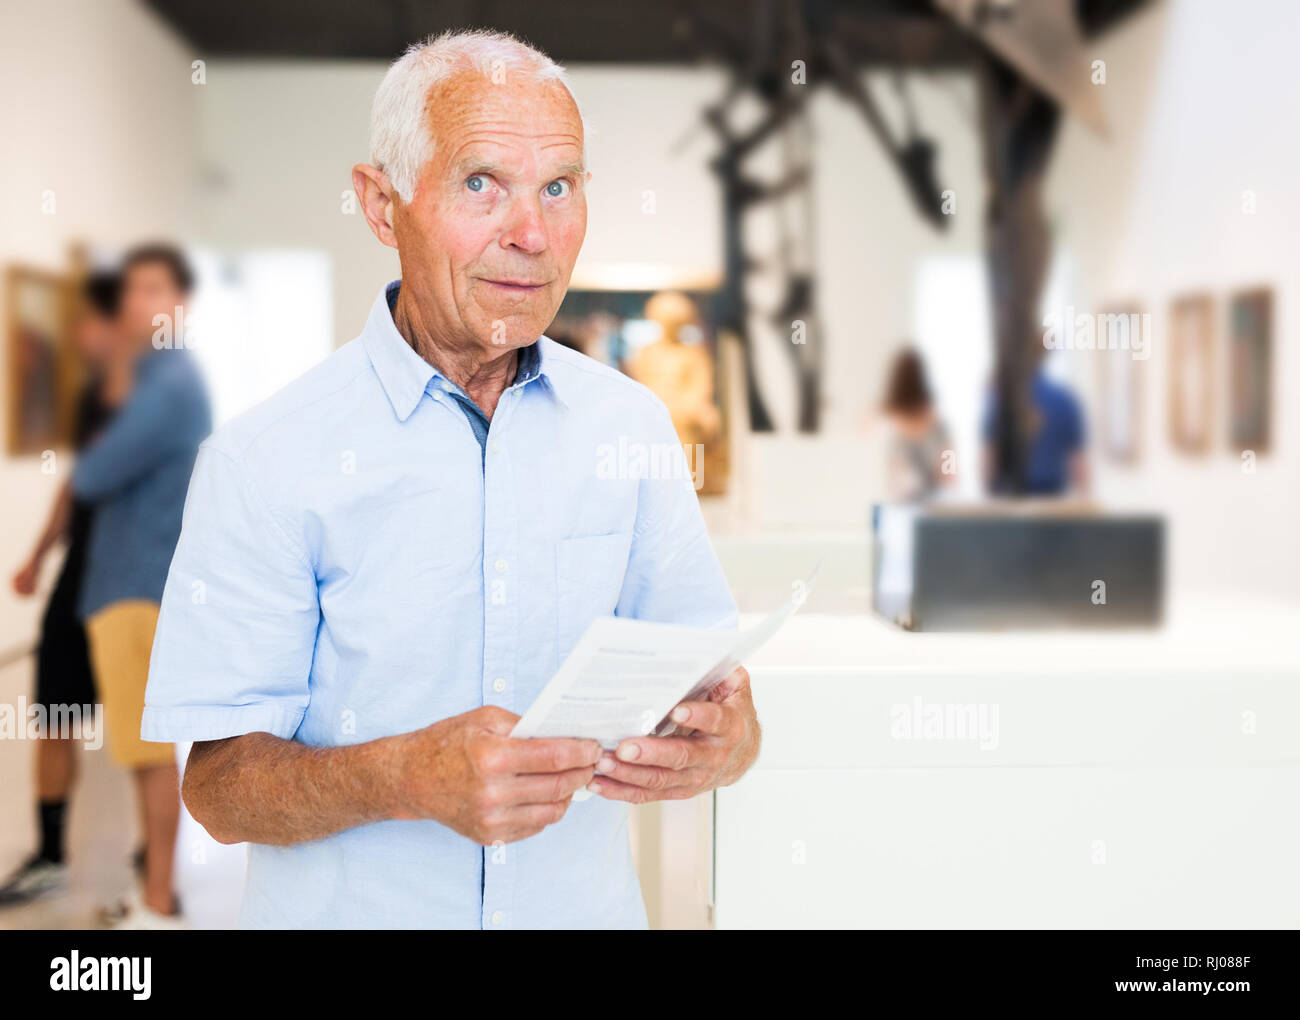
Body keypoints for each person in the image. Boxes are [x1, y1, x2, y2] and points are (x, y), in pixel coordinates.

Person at [142, 29, 759, 929]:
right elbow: (219, 790)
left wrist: (726, 745)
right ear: (382, 205)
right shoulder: (263, 459)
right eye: (482, 184)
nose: (532, 234)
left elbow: (726, 710)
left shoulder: (632, 430)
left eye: (560, 188)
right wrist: (402, 777)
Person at [72, 244, 211, 928]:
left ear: (180, 302)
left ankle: (158, 903)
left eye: (154, 288)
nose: (137, 302)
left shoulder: (169, 383)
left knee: (150, 752)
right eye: (131, 290)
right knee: (140, 749)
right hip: (130, 587)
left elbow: (92, 476)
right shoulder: (158, 378)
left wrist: (117, 369)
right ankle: (156, 892)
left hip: (138, 589)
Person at [0, 272, 126, 906]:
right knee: (55, 714)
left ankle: (153, 863)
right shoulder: (96, 399)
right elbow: (72, 486)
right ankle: (50, 854)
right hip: (78, 577)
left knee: (141, 730)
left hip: (132, 583)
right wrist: (35, 558)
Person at [981, 354, 1089, 496]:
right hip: (1052, 504)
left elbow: (988, 468)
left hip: (1010, 503)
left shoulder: (999, 401)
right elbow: (1080, 473)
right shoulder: (1064, 398)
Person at [880, 346, 954, 502]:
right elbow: (949, 473)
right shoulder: (940, 426)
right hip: (933, 509)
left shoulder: (888, 425)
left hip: (902, 509)